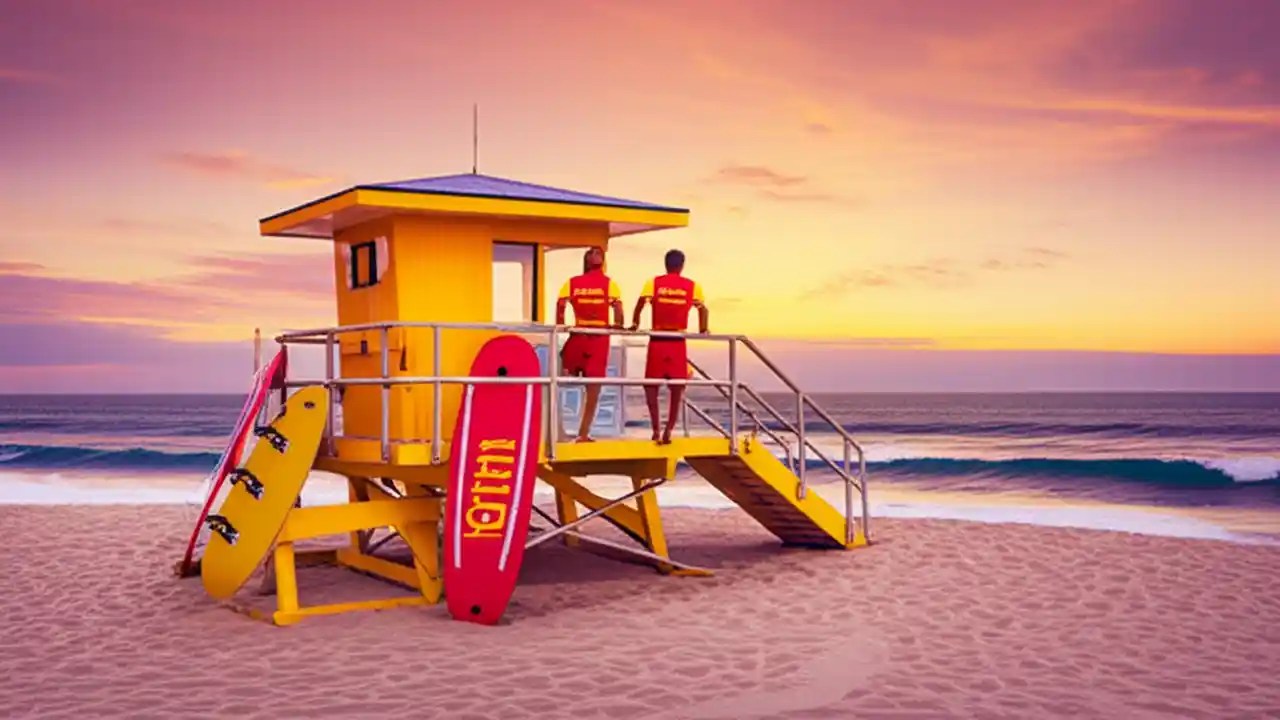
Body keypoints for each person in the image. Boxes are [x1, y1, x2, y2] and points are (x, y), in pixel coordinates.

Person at [629, 249, 708, 444]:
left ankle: (656, 429)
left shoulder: (653, 283)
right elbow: (703, 309)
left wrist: (635, 323)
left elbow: (640, 304)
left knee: (650, 387)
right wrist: (703, 329)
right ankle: (669, 431)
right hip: (677, 340)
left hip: (658, 339)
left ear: (666, 264)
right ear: (681, 266)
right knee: (677, 388)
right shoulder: (692, 286)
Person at [555, 246, 623, 442]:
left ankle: (557, 424)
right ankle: (583, 433)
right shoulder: (609, 284)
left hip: (579, 335)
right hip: (599, 338)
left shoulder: (572, 282)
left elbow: (560, 304)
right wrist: (618, 324)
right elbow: (618, 308)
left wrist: (560, 325)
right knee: (593, 388)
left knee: (560, 378)